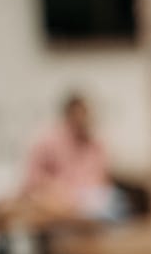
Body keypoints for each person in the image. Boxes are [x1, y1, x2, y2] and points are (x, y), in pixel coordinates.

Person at [14, 93, 122, 225]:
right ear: (68, 115)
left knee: (115, 203)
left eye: (86, 114)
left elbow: (102, 180)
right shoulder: (47, 141)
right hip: (55, 201)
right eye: (78, 114)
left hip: (90, 204)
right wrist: (55, 191)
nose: (83, 120)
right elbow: (32, 179)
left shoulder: (96, 144)